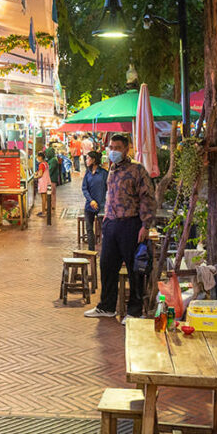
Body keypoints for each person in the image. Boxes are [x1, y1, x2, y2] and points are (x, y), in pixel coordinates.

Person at [85, 134, 156, 319]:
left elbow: (147, 197)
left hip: (130, 224)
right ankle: (107, 306)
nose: (113, 150)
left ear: (127, 149)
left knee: (135, 269)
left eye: (117, 147)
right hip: (111, 223)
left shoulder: (137, 170)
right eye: (111, 147)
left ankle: (134, 311)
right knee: (107, 265)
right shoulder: (112, 169)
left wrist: (146, 225)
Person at [81, 151, 108, 250]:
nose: (86, 160)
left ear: (94, 160)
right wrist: (91, 200)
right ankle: (91, 250)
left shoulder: (104, 173)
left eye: (88, 158)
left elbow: (109, 189)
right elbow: (84, 188)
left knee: (104, 229)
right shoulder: (87, 173)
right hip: (89, 205)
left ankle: (105, 249)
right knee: (89, 229)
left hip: (102, 206)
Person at [34, 152, 51, 216]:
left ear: (40, 157)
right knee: (45, 197)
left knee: (43, 197)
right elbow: (42, 172)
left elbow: (40, 174)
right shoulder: (46, 163)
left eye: (38, 157)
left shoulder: (41, 164)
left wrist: (35, 177)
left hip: (43, 182)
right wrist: (37, 172)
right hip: (47, 181)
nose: (37, 158)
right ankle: (45, 211)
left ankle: (43, 212)